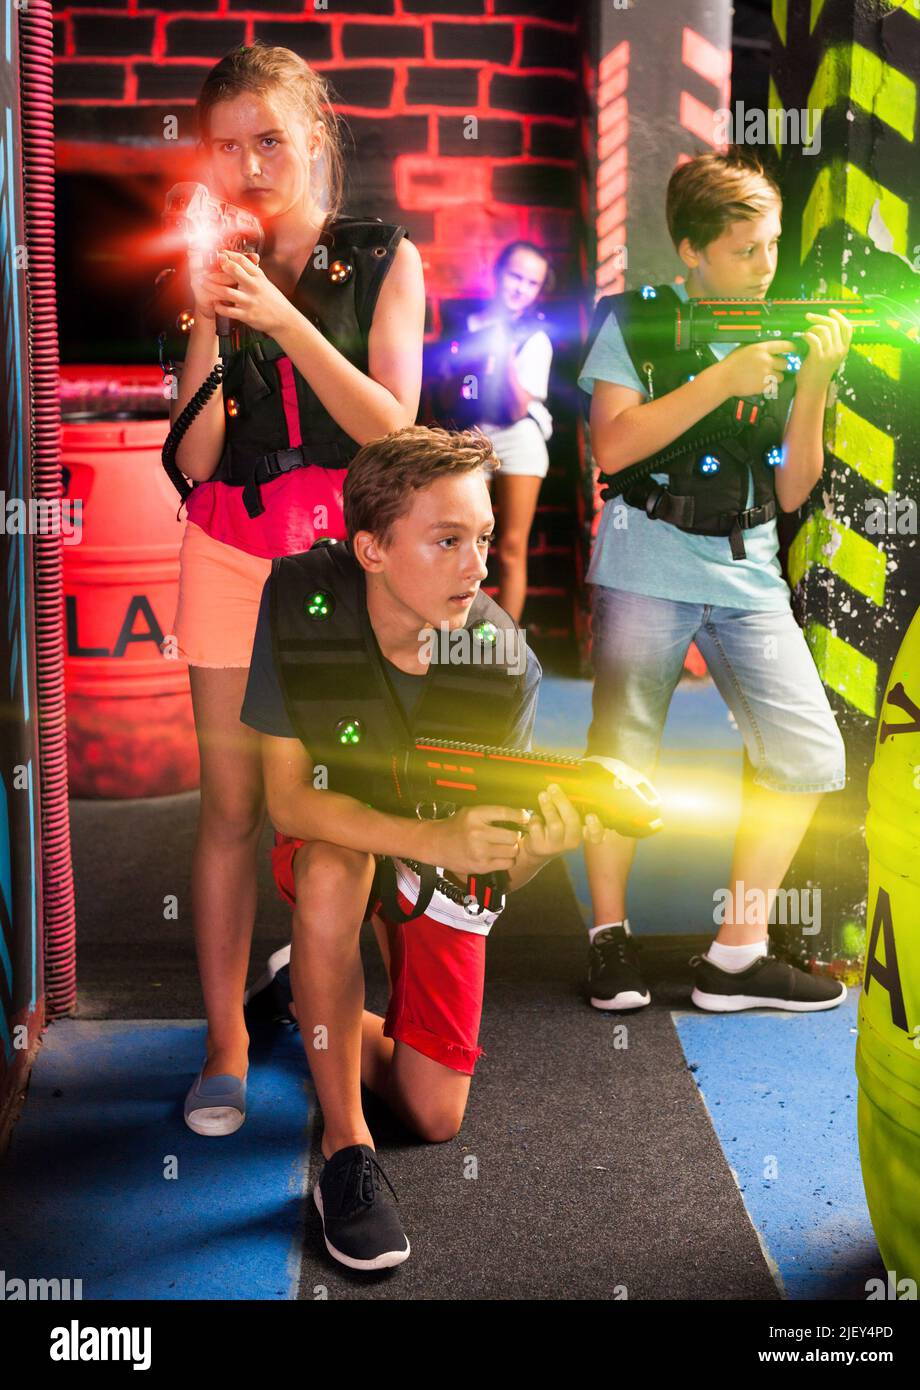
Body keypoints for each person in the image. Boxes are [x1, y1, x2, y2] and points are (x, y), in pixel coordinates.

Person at [238, 425, 605, 1269]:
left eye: (480, 538)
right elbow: (289, 800)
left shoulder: (501, 658)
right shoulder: (300, 599)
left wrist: (539, 851)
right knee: (335, 872)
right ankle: (346, 1153)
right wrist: (429, 834)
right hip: (339, 829)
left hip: (433, 858)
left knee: (435, 1115)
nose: (476, 565)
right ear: (370, 548)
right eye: (447, 541)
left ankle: (306, 989)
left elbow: (488, 864)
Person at [163, 42, 425, 1134]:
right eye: (226, 146)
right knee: (231, 809)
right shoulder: (207, 259)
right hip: (228, 548)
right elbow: (194, 461)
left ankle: (336, 1024)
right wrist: (214, 318)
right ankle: (227, 1036)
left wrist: (283, 317)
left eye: (269, 138)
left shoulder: (382, 257)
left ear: (315, 135)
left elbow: (393, 427)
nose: (250, 163)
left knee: (342, 813)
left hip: (340, 568)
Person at [577, 148, 852, 1014]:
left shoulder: (786, 324)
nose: (764, 267)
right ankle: (607, 941)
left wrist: (810, 384)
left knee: (807, 753)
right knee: (622, 755)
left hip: (748, 569)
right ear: (690, 252)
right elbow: (612, 448)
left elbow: (791, 488)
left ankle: (737, 952)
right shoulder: (635, 322)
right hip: (643, 562)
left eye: (771, 247)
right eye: (744, 250)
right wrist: (721, 379)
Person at [434, 242, 555, 621]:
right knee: (466, 541)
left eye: (531, 283)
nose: (521, 287)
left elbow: (518, 406)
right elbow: (449, 392)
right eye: (515, 276)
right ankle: (462, 632)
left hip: (520, 437)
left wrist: (502, 348)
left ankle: (508, 645)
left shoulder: (536, 336)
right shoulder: (466, 326)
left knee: (513, 545)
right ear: (497, 273)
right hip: (474, 436)